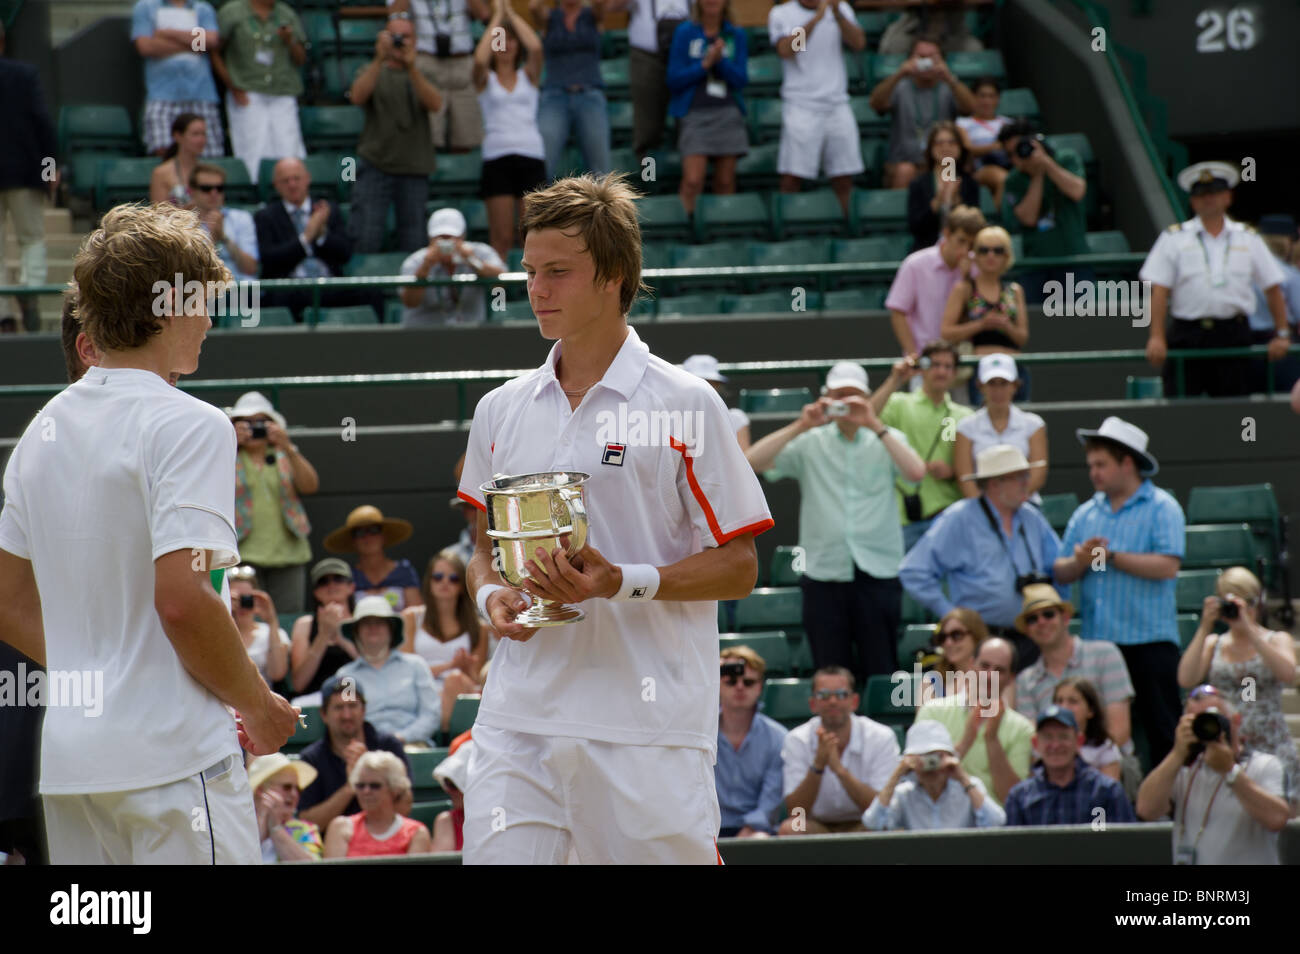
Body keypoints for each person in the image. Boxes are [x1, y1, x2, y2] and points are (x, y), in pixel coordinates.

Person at [459, 173, 774, 864]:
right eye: (530, 272)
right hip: (518, 721)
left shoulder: (688, 401)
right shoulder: (498, 408)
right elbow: (482, 551)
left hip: (648, 730)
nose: (536, 289)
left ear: (614, 276)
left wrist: (620, 581)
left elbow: (740, 567)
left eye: (558, 273)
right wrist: (490, 597)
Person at [0, 204, 298, 863]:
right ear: (172, 305)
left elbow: (8, 602)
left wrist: (98, 675)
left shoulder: (39, 433)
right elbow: (183, 600)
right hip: (175, 761)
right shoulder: (192, 424)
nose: (210, 320)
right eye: (204, 303)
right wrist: (258, 705)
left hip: (74, 768)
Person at [747, 361, 925, 683]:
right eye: (838, 395)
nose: (845, 403)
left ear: (867, 399)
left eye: (853, 396)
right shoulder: (810, 440)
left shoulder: (887, 437)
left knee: (881, 670)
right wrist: (801, 425)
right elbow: (752, 462)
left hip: (878, 569)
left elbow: (915, 473)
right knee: (829, 673)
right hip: (824, 572)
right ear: (826, 398)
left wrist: (874, 423)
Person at [1053, 416, 1185, 767]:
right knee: (1097, 736)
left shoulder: (1162, 507)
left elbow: (1167, 566)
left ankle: (1167, 800)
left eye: (1101, 465)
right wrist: (1081, 560)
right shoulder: (1085, 514)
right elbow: (1061, 571)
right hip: (1100, 645)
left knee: (1163, 732)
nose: (1093, 473)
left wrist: (1110, 557)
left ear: (1127, 463)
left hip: (1150, 642)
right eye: (1091, 466)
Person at [1141, 161, 1291, 398]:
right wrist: (1156, 337)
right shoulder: (1173, 238)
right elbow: (1158, 290)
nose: (1208, 199)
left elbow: (1272, 287)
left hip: (1233, 334)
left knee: (1234, 407)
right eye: (1202, 195)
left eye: (1214, 193)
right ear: (1193, 201)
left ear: (1228, 197)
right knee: (1180, 407)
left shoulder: (1248, 238)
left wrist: (1282, 334)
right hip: (1187, 334)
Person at [900, 444, 1061, 664]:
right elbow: (913, 571)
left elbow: (1058, 567)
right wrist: (954, 617)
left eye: (1026, 475)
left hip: (1032, 636)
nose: (1027, 482)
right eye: (1019, 477)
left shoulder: (1032, 517)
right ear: (994, 484)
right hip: (981, 641)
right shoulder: (960, 518)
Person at [1177, 566, 1298, 804]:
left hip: (1271, 742)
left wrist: (1250, 630)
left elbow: (1287, 674)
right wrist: (1205, 626)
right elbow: (1186, 678)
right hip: (1227, 746)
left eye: (1248, 602)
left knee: (1278, 812)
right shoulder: (1214, 643)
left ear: (1258, 603)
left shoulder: (1276, 639)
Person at [1136, 687, 1290, 864]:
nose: (1207, 727)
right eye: (1198, 721)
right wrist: (1177, 753)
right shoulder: (1184, 770)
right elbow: (1146, 810)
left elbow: (1277, 819)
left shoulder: (1264, 765)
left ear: (1236, 720)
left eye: (1213, 718)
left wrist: (1230, 771)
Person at [347, 15, 444, 255]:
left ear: (416, 41)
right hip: (375, 165)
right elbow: (357, 97)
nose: (400, 41)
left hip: (414, 168)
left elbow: (435, 104)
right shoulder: (371, 70)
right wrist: (379, 58)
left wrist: (411, 67)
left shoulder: (423, 71)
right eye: (394, 36)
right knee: (366, 236)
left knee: (414, 241)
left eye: (406, 36)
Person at [869, 342, 974, 549]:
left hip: (949, 517)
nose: (941, 371)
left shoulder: (965, 416)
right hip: (903, 518)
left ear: (955, 373)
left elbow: (974, 468)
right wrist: (895, 380)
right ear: (922, 368)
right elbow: (866, 418)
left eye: (948, 366)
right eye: (935, 364)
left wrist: (953, 472)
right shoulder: (899, 403)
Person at [769, 0, 867, 215]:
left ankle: (846, 225)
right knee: (793, 176)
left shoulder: (842, 8)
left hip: (837, 103)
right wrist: (816, 19)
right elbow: (789, 50)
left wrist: (837, 14)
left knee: (844, 176)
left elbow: (858, 43)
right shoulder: (781, 13)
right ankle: (788, 223)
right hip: (800, 105)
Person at [226, 391, 317, 614]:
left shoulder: (284, 454)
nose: (254, 428)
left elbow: (310, 485)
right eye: (246, 422)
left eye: (260, 422)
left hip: (289, 554)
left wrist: (288, 447)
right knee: (246, 617)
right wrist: (229, 443)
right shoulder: (227, 455)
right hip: (243, 555)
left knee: (289, 617)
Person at [779, 667, 899, 835]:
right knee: (791, 827)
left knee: (888, 825)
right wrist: (818, 766)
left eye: (842, 694)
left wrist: (840, 771)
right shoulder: (797, 739)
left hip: (865, 824)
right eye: (824, 695)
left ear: (854, 702)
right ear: (813, 704)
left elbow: (882, 807)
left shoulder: (881, 737)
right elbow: (796, 810)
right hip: (817, 825)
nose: (833, 701)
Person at [914, 636, 1032, 805]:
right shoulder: (932, 711)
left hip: (995, 819)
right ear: (971, 665)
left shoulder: (1022, 729)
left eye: (999, 670)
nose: (989, 676)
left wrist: (992, 740)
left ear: (1011, 678)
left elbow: (1012, 799)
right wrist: (965, 742)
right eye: (984, 666)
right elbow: (919, 777)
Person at [1013, 584, 1134, 749]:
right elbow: (1032, 738)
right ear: (1027, 630)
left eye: (1048, 614)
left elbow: (1119, 731)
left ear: (1065, 618)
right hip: (1054, 761)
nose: (1041, 622)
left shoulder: (1106, 654)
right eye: (1032, 619)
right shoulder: (1025, 680)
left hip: (1110, 758)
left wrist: (1082, 760)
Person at [473, 0, 547, 260]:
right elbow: (479, 60)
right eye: (500, 40)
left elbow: (535, 47)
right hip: (497, 158)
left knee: (532, 235)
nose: (505, 45)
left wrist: (509, 12)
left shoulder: (529, 76)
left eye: (511, 40)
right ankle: (499, 284)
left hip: (531, 156)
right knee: (502, 237)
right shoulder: (486, 80)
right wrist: (497, 18)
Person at [296, 675, 412, 830]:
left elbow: (404, 807)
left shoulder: (389, 746)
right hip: (332, 843)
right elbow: (307, 823)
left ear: (363, 710)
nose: (347, 715)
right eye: (339, 707)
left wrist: (371, 769)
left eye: (352, 706)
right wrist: (350, 787)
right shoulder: (311, 758)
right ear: (324, 714)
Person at [0, 18, 56, 335]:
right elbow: (42, 122)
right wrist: (50, 167)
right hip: (24, 170)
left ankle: (3, 316)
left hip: (20, 170)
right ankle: (31, 294)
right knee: (31, 238)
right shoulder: (24, 75)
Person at [210, 0, 307, 183]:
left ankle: (289, 191)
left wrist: (290, 41)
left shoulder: (286, 13)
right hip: (246, 90)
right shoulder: (232, 12)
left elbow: (301, 59)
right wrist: (232, 87)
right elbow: (213, 51)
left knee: (289, 149)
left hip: (283, 90)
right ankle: (257, 192)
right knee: (252, 151)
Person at [667, 0, 749, 217]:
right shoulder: (685, 32)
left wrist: (721, 62)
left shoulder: (736, 34)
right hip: (694, 113)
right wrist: (704, 64)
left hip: (727, 112)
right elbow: (673, 79)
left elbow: (741, 80)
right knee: (693, 180)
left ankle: (722, 229)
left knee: (725, 181)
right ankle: (685, 227)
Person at [254, 157, 356, 320]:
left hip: (328, 284)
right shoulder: (266, 216)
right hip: (291, 287)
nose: (292, 185)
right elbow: (270, 259)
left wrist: (322, 235)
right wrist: (306, 238)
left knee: (369, 293)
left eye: (296, 178)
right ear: (276, 185)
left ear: (307, 179)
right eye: (285, 181)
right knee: (279, 298)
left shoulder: (328, 210)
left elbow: (345, 253)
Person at [868, 36, 975, 191]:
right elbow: (875, 103)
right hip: (904, 161)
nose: (927, 62)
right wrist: (899, 73)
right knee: (905, 170)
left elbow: (971, 108)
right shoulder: (900, 86)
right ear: (910, 59)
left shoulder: (949, 87)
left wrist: (949, 77)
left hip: (943, 160)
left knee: (949, 166)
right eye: (921, 57)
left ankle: (948, 205)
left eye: (932, 57)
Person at [1003, 705, 1135, 826]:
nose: (1055, 745)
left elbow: (1124, 840)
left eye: (1063, 737)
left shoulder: (1106, 792)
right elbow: (1013, 843)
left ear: (1079, 741)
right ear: (1035, 743)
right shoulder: (1020, 798)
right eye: (1048, 737)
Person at [941, 229, 1030, 404]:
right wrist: (981, 324)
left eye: (998, 250)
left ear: (1006, 256)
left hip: (1014, 368)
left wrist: (1006, 326)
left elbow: (1022, 337)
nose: (991, 255)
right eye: (984, 250)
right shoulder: (964, 289)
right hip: (979, 369)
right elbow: (946, 332)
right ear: (975, 255)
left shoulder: (1014, 290)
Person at [401, 551, 486, 736]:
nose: (445, 582)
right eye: (438, 577)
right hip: (419, 686)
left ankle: (443, 736)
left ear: (462, 586)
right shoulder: (411, 618)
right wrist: (450, 665)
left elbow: (477, 678)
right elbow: (406, 670)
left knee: (454, 680)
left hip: (459, 692)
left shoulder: (479, 628)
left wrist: (466, 668)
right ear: (429, 582)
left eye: (453, 578)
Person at [335, 596, 440, 744]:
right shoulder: (347, 676)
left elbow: (431, 714)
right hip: (365, 748)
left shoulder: (415, 665)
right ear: (356, 632)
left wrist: (402, 737)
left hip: (413, 745)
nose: (373, 628)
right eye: (366, 623)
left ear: (391, 629)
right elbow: (347, 716)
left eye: (379, 623)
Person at [864, 720, 1005, 830]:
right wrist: (897, 774)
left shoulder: (970, 787)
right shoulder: (904, 794)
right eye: (923, 758)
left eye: (937, 757)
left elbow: (996, 822)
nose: (930, 766)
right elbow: (873, 823)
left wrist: (963, 778)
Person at [884, 205, 984, 355]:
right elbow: (898, 312)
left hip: (962, 358)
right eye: (961, 241)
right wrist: (913, 356)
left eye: (971, 245)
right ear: (946, 233)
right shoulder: (915, 264)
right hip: (924, 357)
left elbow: (977, 313)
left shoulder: (977, 269)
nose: (965, 250)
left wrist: (967, 279)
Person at [391, 0, 488, 154]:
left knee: (465, 138)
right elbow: (394, 15)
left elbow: (483, 14)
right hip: (426, 60)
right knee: (428, 137)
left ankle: (460, 168)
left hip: (461, 61)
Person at [131, 0, 225, 157]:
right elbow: (146, 46)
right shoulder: (145, 7)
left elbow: (210, 41)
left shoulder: (203, 8)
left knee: (210, 155)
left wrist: (167, 34)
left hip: (201, 94)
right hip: (161, 94)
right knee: (163, 151)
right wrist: (193, 45)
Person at [531, 0, 611, 179]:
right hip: (554, 96)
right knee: (542, 164)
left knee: (601, 171)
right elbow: (533, 6)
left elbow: (601, 4)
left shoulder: (592, 14)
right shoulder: (549, 17)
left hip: (590, 94)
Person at [716, 645, 786, 838]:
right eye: (730, 681)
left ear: (760, 687)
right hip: (706, 829)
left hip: (754, 831)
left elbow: (770, 804)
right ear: (717, 684)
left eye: (748, 682)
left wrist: (747, 833)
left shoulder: (778, 737)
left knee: (759, 839)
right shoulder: (701, 733)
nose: (739, 687)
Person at [605, 0, 690, 157]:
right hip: (647, 57)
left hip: (686, 58)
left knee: (691, 125)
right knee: (647, 130)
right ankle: (647, 170)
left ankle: (691, 170)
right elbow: (610, 6)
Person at [952, 353, 1044, 493]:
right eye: (992, 383)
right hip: (980, 504)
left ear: (1015, 386)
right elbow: (965, 479)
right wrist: (985, 506)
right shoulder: (965, 427)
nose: (998, 390)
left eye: (1004, 383)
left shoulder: (1034, 424)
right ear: (980, 386)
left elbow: (1037, 475)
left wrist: (1014, 500)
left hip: (1024, 501)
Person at [399, 207, 506, 326]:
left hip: (471, 332)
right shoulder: (415, 261)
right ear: (430, 239)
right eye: (440, 238)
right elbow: (410, 302)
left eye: (451, 237)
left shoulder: (479, 252)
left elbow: (501, 284)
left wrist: (473, 261)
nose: (446, 243)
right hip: (426, 332)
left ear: (463, 236)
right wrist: (426, 266)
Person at [997, 121, 1087, 260]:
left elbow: (1077, 192)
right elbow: (1028, 219)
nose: (1015, 158)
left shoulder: (1066, 159)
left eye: (1019, 149)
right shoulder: (1013, 180)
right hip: (1037, 261)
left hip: (1074, 257)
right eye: (1009, 154)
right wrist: (1037, 175)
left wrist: (1046, 162)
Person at [323, 751, 432, 857]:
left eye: (375, 786)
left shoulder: (416, 833)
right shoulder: (341, 828)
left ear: (394, 789)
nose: (366, 791)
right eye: (360, 785)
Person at [324, 505, 421, 610]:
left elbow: (416, 613)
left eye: (374, 530)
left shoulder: (403, 571)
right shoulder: (348, 577)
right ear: (353, 541)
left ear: (383, 536)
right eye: (359, 532)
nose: (367, 537)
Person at [289, 558, 360, 701]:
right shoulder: (305, 624)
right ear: (316, 592)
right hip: (315, 699)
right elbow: (299, 683)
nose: (331, 585)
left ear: (351, 587)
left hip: (356, 698)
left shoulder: (362, 621)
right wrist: (323, 635)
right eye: (323, 582)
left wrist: (340, 636)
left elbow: (372, 669)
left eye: (338, 579)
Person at [907, 121, 980, 252]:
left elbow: (974, 226)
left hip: (963, 251)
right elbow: (915, 227)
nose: (945, 147)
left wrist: (957, 202)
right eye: (939, 143)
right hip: (926, 249)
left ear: (960, 147)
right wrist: (937, 202)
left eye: (952, 142)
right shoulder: (918, 184)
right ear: (930, 148)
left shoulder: (970, 183)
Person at [1248, 214, 1300, 393]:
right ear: (1288, 242)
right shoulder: (1289, 274)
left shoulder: (1242, 272)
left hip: (1246, 345)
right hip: (1282, 345)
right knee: (1285, 401)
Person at [247, 753, 323, 862]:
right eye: (287, 787)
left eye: (298, 789)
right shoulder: (239, 825)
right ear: (261, 790)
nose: (294, 794)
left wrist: (276, 828)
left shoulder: (305, 829)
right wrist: (262, 821)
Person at [191, 163, 259, 283]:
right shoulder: (184, 224)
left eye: (219, 188)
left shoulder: (241, 218)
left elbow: (250, 268)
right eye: (206, 188)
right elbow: (190, 271)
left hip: (240, 288)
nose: (214, 193)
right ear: (192, 191)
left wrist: (224, 238)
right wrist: (211, 241)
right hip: (202, 288)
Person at [228, 564, 289, 684]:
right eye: (235, 599)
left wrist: (272, 622)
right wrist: (225, 610)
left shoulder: (270, 633)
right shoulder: (217, 631)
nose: (241, 605)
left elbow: (277, 673)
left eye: (246, 598)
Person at [1052, 677, 1122, 782]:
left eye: (1073, 701)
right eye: (1059, 701)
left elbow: (1109, 790)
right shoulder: (1046, 746)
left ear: (1090, 710)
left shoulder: (1105, 747)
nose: (1064, 707)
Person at [956, 77, 1011, 208]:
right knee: (1003, 178)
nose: (987, 101)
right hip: (978, 169)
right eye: (982, 96)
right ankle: (996, 218)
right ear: (973, 97)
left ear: (998, 99)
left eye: (991, 96)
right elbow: (966, 149)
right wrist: (996, 146)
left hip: (1010, 165)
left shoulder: (1008, 123)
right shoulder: (962, 123)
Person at [682, 353, 750, 450]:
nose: (704, 389)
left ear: (718, 386)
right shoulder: (669, 418)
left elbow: (745, 457)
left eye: (710, 383)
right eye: (698, 382)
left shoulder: (735, 418)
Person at [149, 112, 207, 208]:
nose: (201, 140)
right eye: (195, 134)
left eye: (203, 134)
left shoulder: (207, 171)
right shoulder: (161, 173)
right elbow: (158, 212)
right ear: (178, 136)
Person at [431, 737, 473, 851]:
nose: (448, 790)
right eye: (446, 782)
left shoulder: (500, 818)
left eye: (453, 784)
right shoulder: (446, 820)